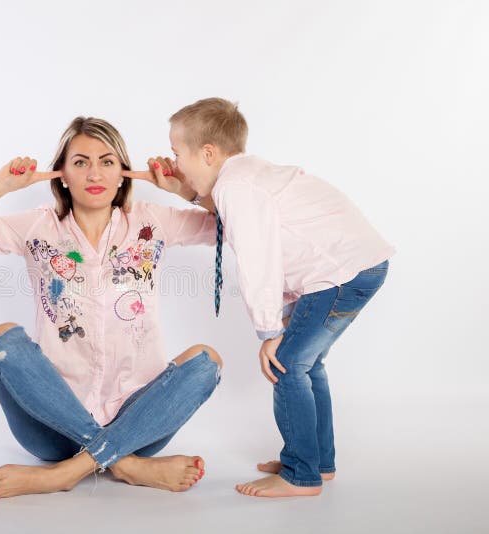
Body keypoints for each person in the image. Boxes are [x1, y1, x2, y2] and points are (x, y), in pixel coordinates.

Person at [0, 117, 222, 498]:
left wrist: (187, 191)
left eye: (107, 161)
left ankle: (67, 473)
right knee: (3, 339)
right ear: (61, 174)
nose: (94, 173)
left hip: (139, 426)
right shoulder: (36, 227)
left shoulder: (152, 222)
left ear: (123, 173)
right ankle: (124, 466)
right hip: (52, 428)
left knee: (206, 361)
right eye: (80, 162)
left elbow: (229, 225)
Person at [164, 97, 395, 497]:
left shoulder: (236, 186)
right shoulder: (244, 177)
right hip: (352, 267)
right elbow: (267, 236)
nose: (176, 164)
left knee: (286, 364)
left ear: (207, 152)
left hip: (340, 273)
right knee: (307, 364)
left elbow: (258, 258)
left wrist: (270, 329)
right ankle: (317, 462)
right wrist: (183, 192)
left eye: (176, 153)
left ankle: (299, 474)